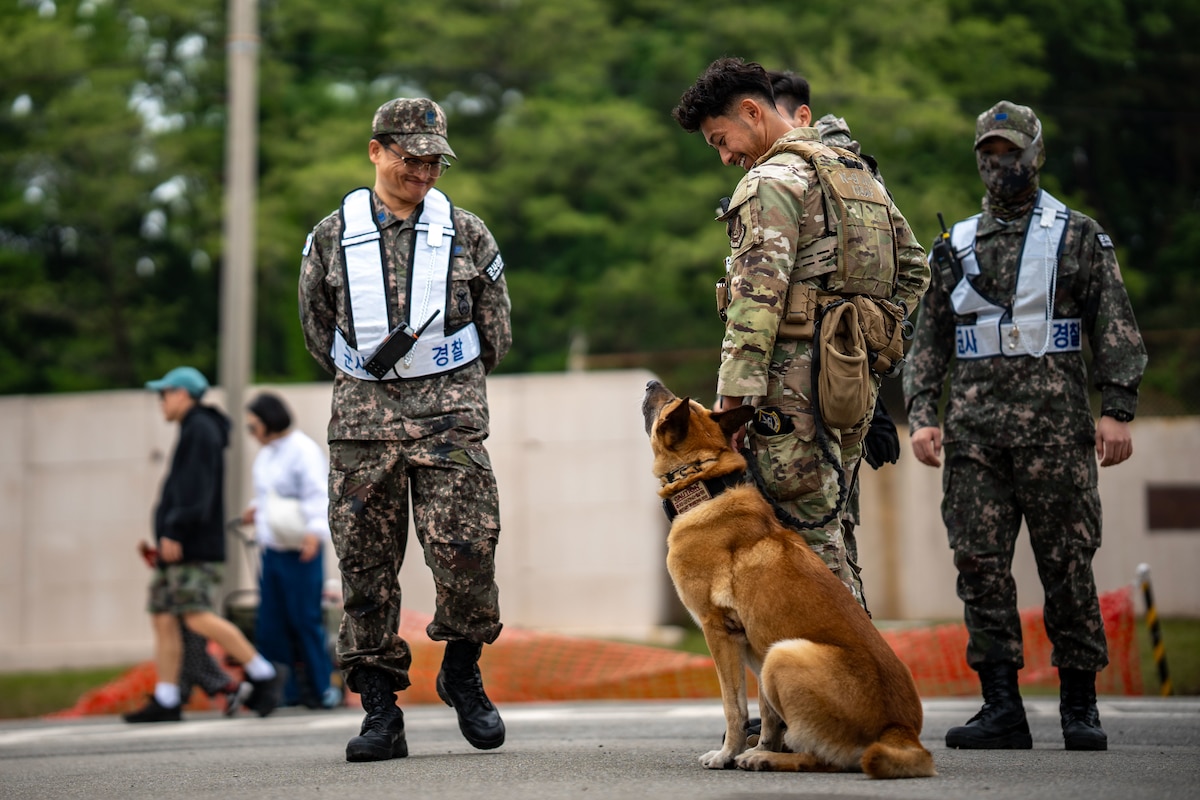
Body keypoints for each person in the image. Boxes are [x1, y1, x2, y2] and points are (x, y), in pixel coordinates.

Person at [903, 101, 1147, 752]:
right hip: (975, 439)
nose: (999, 163)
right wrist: (923, 416)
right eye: (990, 153)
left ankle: (1079, 706)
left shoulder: (1076, 236)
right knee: (979, 566)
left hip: (1056, 435)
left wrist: (1117, 409)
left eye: (1011, 152)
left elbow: (1114, 324)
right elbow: (927, 341)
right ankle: (1002, 708)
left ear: (1035, 154)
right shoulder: (953, 245)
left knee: (1067, 565)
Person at [672, 57, 928, 612]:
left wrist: (731, 406)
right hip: (850, 388)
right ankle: (846, 679)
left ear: (750, 111)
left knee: (805, 541)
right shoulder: (851, 170)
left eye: (721, 139)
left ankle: (845, 682)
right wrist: (865, 346)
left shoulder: (770, 181)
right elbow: (913, 269)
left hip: (789, 391)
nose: (725, 156)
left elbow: (755, 303)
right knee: (832, 527)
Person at [299, 97, 512, 762]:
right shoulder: (330, 237)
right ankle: (380, 710)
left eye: (433, 162)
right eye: (409, 158)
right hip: (363, 426)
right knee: (365, 572)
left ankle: (462, 668)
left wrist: (446, 386)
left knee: (469, 555)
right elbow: (315, 329)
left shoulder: (469, 233)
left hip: (449, 422)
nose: (422, 173)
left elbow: (496, 327)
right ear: (375, 151)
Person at [765, 68, 903, 584]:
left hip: (829, 386)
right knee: (811, 544)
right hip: (804, 389)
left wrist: (872, 378)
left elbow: (882, 282)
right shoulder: (777, 182)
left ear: (801, 117)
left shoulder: (843, 176)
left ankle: (845, 657)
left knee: (825, 541)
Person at [124, 366, 286, 723]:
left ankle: (263, 673)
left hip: (192, 545)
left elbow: (196, 491)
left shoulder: (200, 428)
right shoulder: (194, 428)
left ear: (182, 393)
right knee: (164, 617)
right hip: (181, 543)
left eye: (164, 394)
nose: (160, 402)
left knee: (196, 616)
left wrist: (176, 531)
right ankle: (168, 698)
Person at [241, 392, 339, 710]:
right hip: (273, 549)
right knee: (271, 621)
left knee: (305, 619)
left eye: (254, 426)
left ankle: (322, 686)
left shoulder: (302, 451)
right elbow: (271, 494)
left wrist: (314, 533)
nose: (252, 433)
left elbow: (315, 493)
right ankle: (286, 690)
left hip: (300, 549)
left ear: (269, 421)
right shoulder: (267, 454)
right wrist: (256, 510)